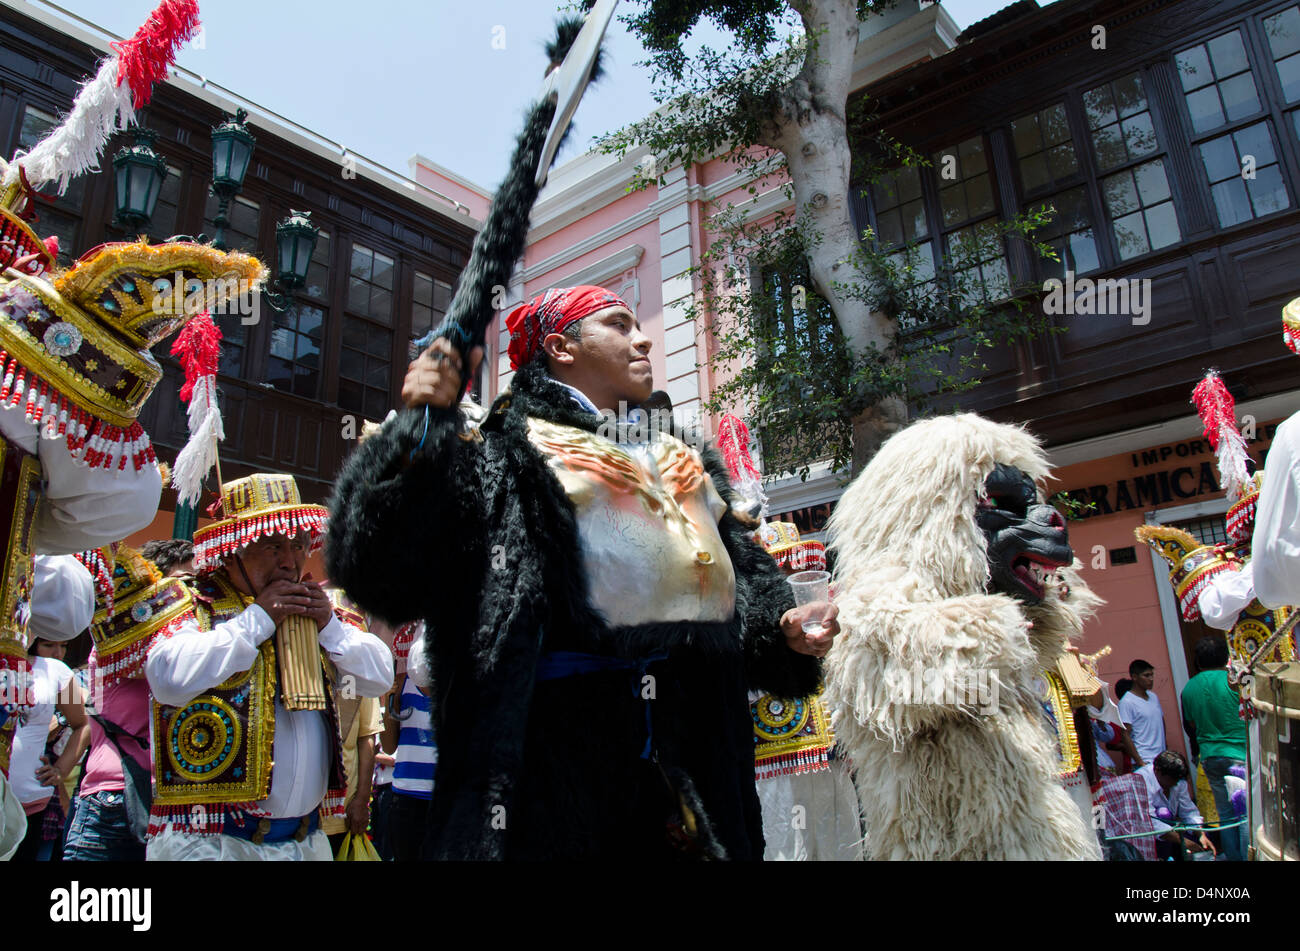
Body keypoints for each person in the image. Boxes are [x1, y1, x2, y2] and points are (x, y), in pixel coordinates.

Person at [327, 285, 835, 860]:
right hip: (567, 764)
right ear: (561, 347)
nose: (643, 337)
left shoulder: (681, 452)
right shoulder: (507, 447)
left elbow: (743, 571)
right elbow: (387, 570)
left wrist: (784, 624)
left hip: (701, 747)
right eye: (619, 324)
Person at [145, 473, 392, 861]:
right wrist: (258, 620)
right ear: (234, 550)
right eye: (272, 545)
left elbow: (380, 677)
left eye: (297, 545)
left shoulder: (325, 614)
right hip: (211, 844)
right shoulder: (194, 604)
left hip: (305, 843)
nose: (290, 560)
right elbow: (167, 678)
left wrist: (329, 628)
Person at [63, 544, 193, 862]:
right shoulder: (118, 645)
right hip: (114, 795)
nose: (192, 595)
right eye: (185, 583)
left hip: (174, 801)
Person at [320, 588, 382, 857]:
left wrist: (361, 801)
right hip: (300, 816)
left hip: (342, 813)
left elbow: (367, 737)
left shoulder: (357, 672)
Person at [1180, 635, 1249, 861]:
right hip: (1240, 755)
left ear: (1198, 661)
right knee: (1247, 813)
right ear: (1226, 658)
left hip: (1210, 757)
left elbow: (1190, 725)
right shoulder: (1233, 680)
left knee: (1227, 815)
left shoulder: (1189, 688)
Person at [1137, 751, 1216, 860]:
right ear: (1158, 771)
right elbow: (1151, 824)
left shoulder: (1178, 782)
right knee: (1163, 813)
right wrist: (1185, 842)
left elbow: (1189, 812)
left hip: (1173, 829)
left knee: (1199, 837)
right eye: (1172, 779)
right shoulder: (1141, 781)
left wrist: (1201, 835)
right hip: (1148, 835)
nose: (1175, 784)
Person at [1118, 660, 1166, 766]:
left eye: (1152, 675)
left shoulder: (1154, 697)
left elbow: (1161, 723)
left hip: (1161, 759)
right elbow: (1125, 734)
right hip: (1144, 760)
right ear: (1134, 677)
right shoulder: (1127, 702)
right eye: (1146, 675)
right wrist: (1139, 761)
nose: (1151, 679)